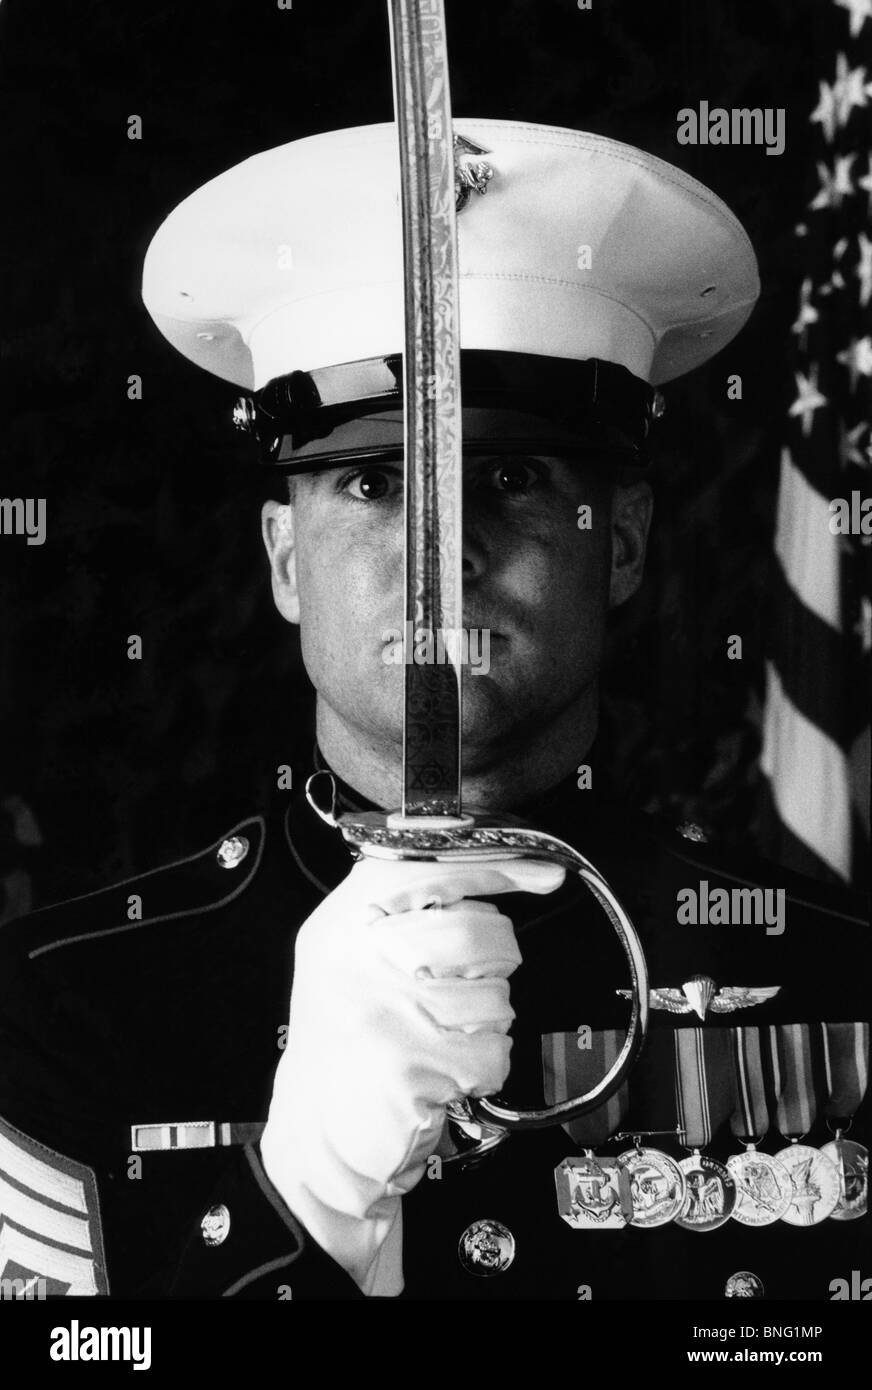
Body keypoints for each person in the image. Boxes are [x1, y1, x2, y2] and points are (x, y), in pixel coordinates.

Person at [0, 121, 867, 1301]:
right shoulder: (57, 1007)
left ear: (616, 543)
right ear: (286, 561)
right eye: (371, 482)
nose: (438, 560)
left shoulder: (833, 975)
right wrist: (292, 1208)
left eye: (509, 480)